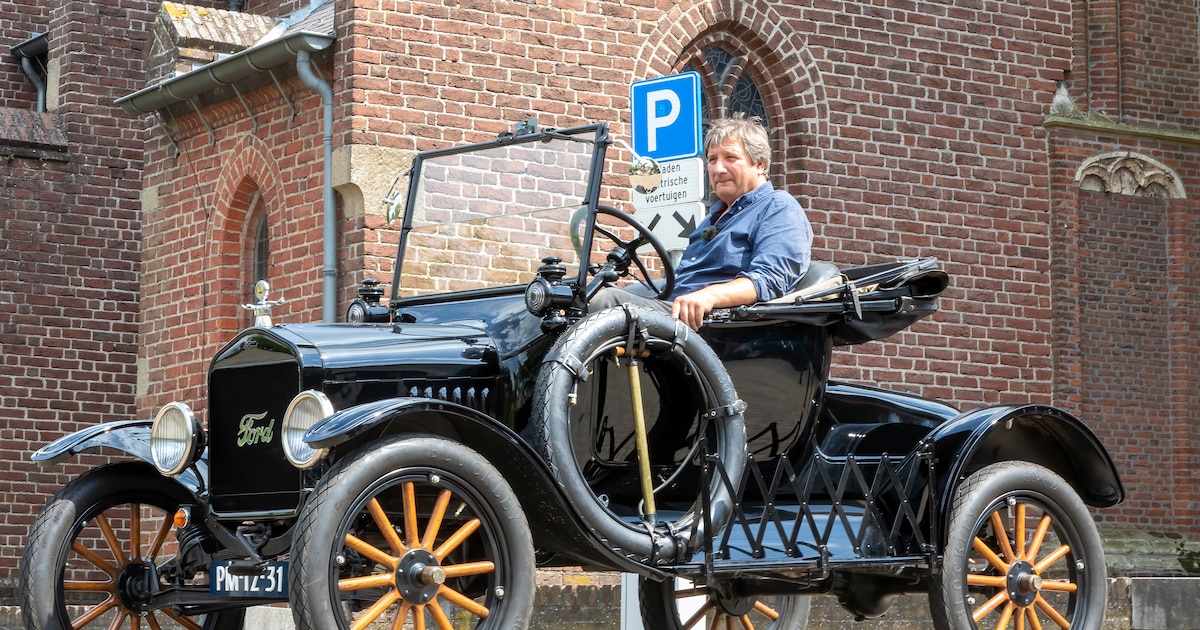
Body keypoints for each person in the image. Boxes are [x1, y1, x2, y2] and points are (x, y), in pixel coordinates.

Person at [594, 113, 813, 330]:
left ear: (760, 164)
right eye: (712, 159)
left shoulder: (778, 207)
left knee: (609, 303)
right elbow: (684, 279)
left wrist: (708, 296)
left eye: (731, 158)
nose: (718, 169)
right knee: (584, 299)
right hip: (677, 310)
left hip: (719, 325)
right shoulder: (712, 217)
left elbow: (770, 279)